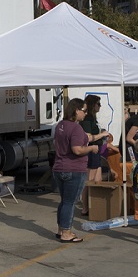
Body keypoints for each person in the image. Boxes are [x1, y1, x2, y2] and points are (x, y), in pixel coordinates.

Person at [52, 98, 100, 242]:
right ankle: (66, 232)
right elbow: (77, 150)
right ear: (76, 111)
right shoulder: (76, 128)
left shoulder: (61, 125)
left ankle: (61, 229)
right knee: (70, 202)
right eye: (84, 111)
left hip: (59, 167)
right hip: (73, 169)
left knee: (64, 201)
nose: (85, 113)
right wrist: (92, 148)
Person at [79, 94, 113, 214]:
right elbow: (88, 137)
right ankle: (85, 207)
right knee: (89, 180)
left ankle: (95, 206)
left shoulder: (93, 118)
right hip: (91, 150)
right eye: (98, 104)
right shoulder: (87, 118)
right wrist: (102, 135)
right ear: (93, 105)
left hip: (97, 149)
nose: (100, 106)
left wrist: (102, 132)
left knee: (97, 179)